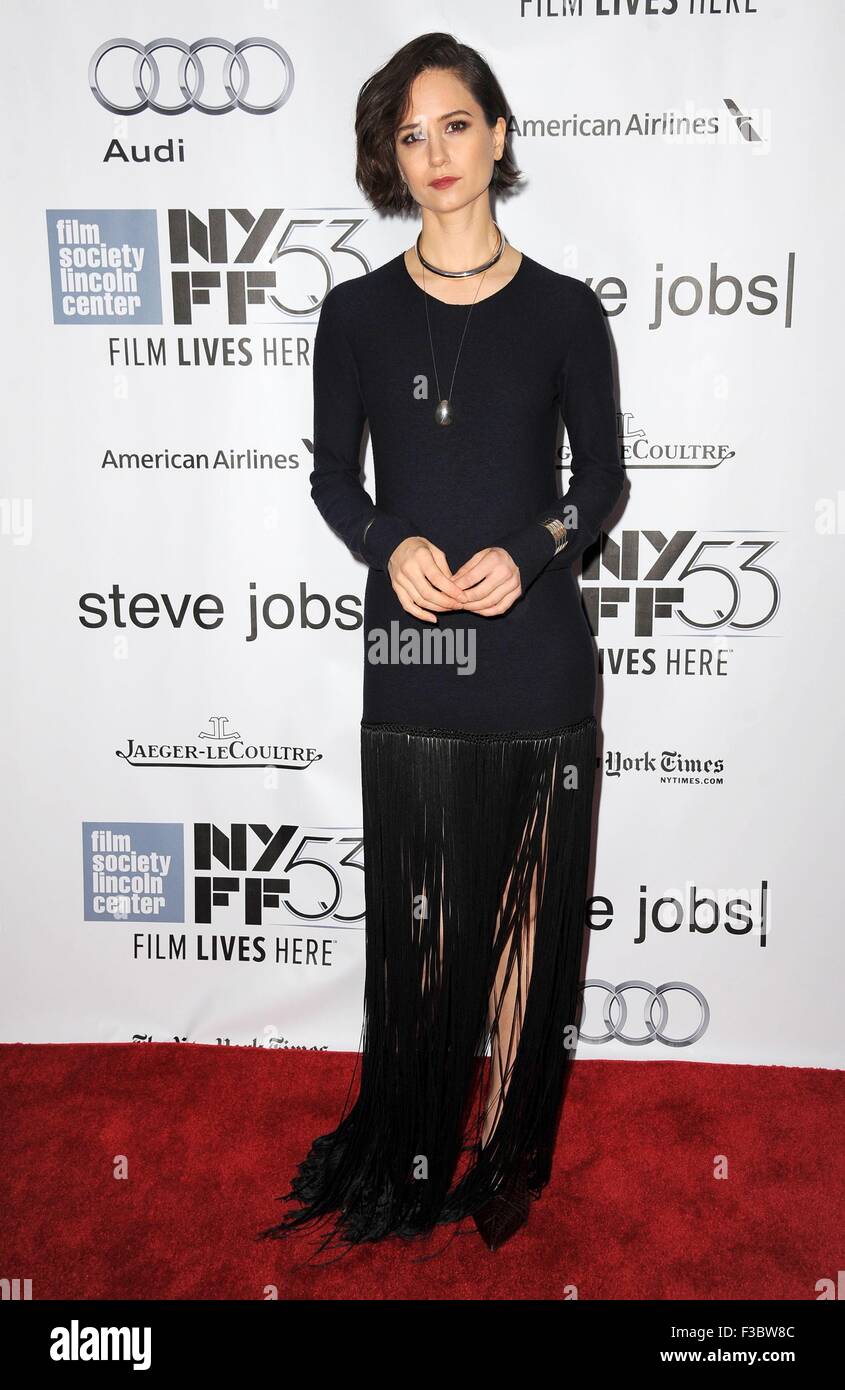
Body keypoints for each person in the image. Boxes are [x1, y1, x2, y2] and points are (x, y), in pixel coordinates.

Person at [257, 31, 626, 1259]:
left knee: (526, 921)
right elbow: (327, 480)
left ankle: (503, 1155)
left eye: (452, 124)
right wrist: (385, 541)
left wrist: (534, 547)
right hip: (411, 665)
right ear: (390, 160)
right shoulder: (352, 314)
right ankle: (412, 1140)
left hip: (535, 662)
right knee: (416, 926)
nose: (434, 154)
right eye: (407, 135)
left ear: (498, 132)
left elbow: (604, 482)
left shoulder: (567, 311)